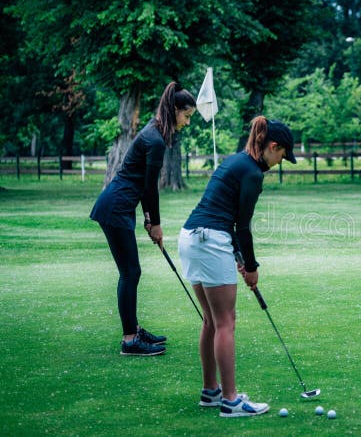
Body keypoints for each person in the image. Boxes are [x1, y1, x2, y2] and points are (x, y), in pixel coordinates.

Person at [178, 116, 297, 418]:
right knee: (226, 321)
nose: (281, 161)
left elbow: (227, 217)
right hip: (210, 240)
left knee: (211, 320)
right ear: (273, 146)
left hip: (191, 237)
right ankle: (231, 401)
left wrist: (240, 260)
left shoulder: (236, 162)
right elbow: (241, 227)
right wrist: (252, 266)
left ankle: (211, 391)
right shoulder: (253, 173)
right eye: (282, 155)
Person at [91, 82, 196, 355]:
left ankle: (134, 329)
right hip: (115, 208)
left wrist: (149, 220)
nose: (187, 122)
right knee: (130, 272)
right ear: (174, 110)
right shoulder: (156, 140)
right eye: (187, 116)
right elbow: (150, 187)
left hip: (120, 206)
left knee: (131, 271)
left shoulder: (154, 130)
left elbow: (145, 186)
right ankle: (130, 340)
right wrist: (155, 223)